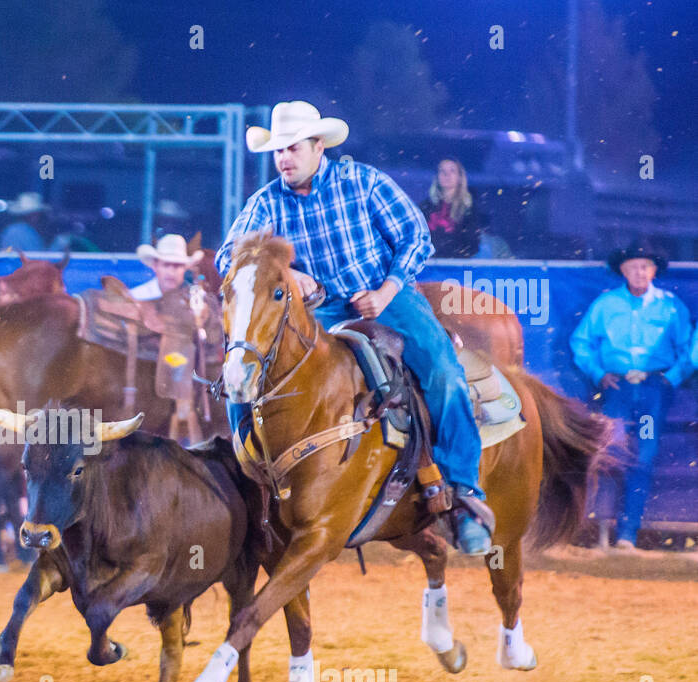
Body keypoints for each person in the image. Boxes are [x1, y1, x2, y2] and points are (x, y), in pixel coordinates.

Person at [216, 100, 492, 555]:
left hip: (389, 298)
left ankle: (464, 493)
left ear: (318, 146)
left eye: (293, 148)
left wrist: (385, 291)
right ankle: (254, 470)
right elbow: (230, 255)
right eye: (278, 151)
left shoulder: (361, 182)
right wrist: (286, 273)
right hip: (322, 309)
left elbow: (414, 236)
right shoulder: (265, 202)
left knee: (442, 371)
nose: (284, 158)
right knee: (245, 373)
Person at [571, 244, 694, 550]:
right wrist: (598, 373)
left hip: (652, 393)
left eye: (645, 267)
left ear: (654, 271)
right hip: (618, 393)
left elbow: (690, 349)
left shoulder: (670, 306)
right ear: (622, 271)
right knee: (610, 451)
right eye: (633, 267)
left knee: (644, 456)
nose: (639, 272)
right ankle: (587, 530)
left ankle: (627, 533)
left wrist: (672, 377)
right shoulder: (606, 304)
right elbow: (580, 342)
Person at [420, 157, 484, 258]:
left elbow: (473, 244)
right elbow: (416, 238)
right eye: (442, 171)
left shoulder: (469, 209)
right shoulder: (425, 207)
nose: (447, 175)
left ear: (460, 177)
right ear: (437, 177)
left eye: (452, 171)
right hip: (429, 267)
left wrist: (451, 258)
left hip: (456, 268)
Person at [131, 233, 201, 300]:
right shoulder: (136, 297)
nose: (171, 272)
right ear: (155, 266)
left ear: (185, 269)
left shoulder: (194, 300)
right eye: (166, 265)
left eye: (177, 266)